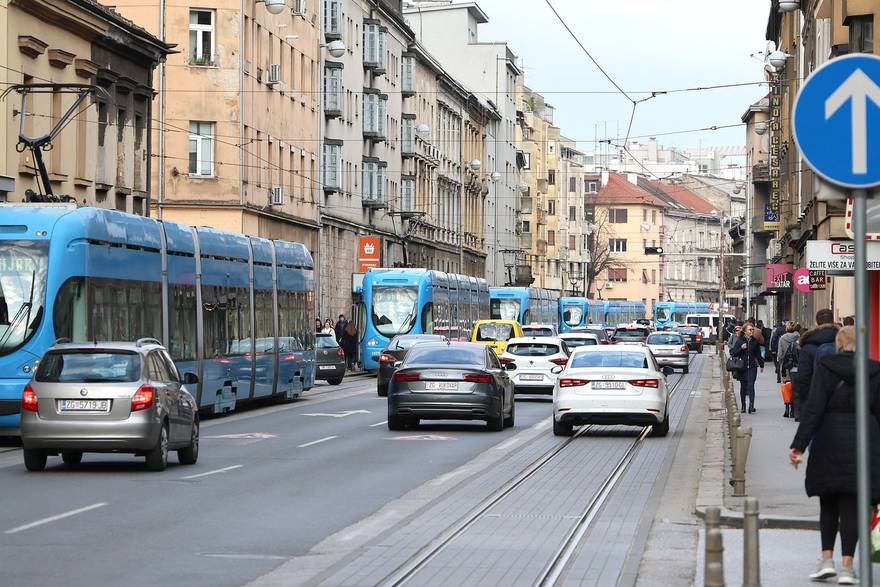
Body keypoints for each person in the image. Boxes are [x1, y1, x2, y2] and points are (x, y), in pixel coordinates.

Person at [789, 326, 880, 584]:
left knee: (828, 502)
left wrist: (798, 446)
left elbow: (814, 410)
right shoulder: (874, 370)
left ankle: (827, 560)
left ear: (838, 344)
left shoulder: (826, 367)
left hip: (829, 439)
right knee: (852, 504)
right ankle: (848, 567)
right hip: (865, 440)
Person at [793, 309, 839, 421]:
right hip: (840, 399)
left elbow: (803, 378)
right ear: (833, 320)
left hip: (815, 398)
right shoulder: (842, 341)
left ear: (817, 322)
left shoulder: (808, 345)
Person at [730, 323, 764, 412]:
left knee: (751, 385)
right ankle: (743, 406)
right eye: (750, 330)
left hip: (752, 366)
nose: (752, 331)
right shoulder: (740, 341)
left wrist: (761, 365)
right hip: (742, 367)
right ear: (745, 331)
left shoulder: (754, 341)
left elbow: (758, 354)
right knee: (743, 386)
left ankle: (751, 405)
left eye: (752, 329)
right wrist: (741, 348)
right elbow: (733, 352)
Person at [777, 321, 801, 418]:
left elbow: (779, 354)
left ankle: (787, 408)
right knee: (794, 387)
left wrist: (780, 361)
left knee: (786, 388)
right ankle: (793, 410)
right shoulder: (799, 338)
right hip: (796, 366)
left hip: (785, 366)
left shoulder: (782, 339)